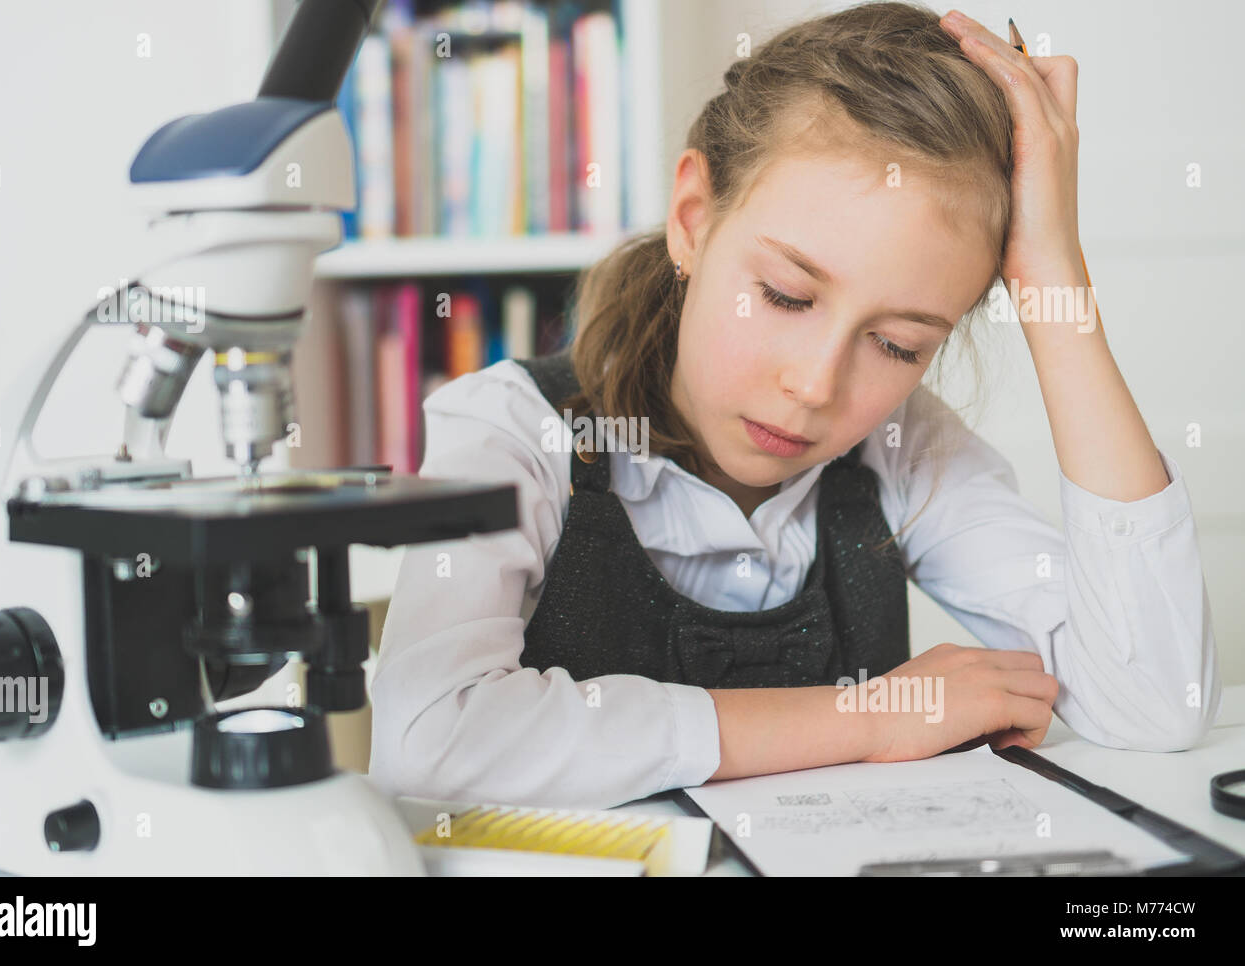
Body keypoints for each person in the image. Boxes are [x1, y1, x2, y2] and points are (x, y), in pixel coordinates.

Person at [366, 2, 1219, 810]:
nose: (815, 385)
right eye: (783, 295)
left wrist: (1052, 278)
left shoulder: (901, 448)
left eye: (898, 346)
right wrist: (869, 720)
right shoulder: (511, 431)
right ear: (694, 218)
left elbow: (1154, 699)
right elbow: (428, 743)